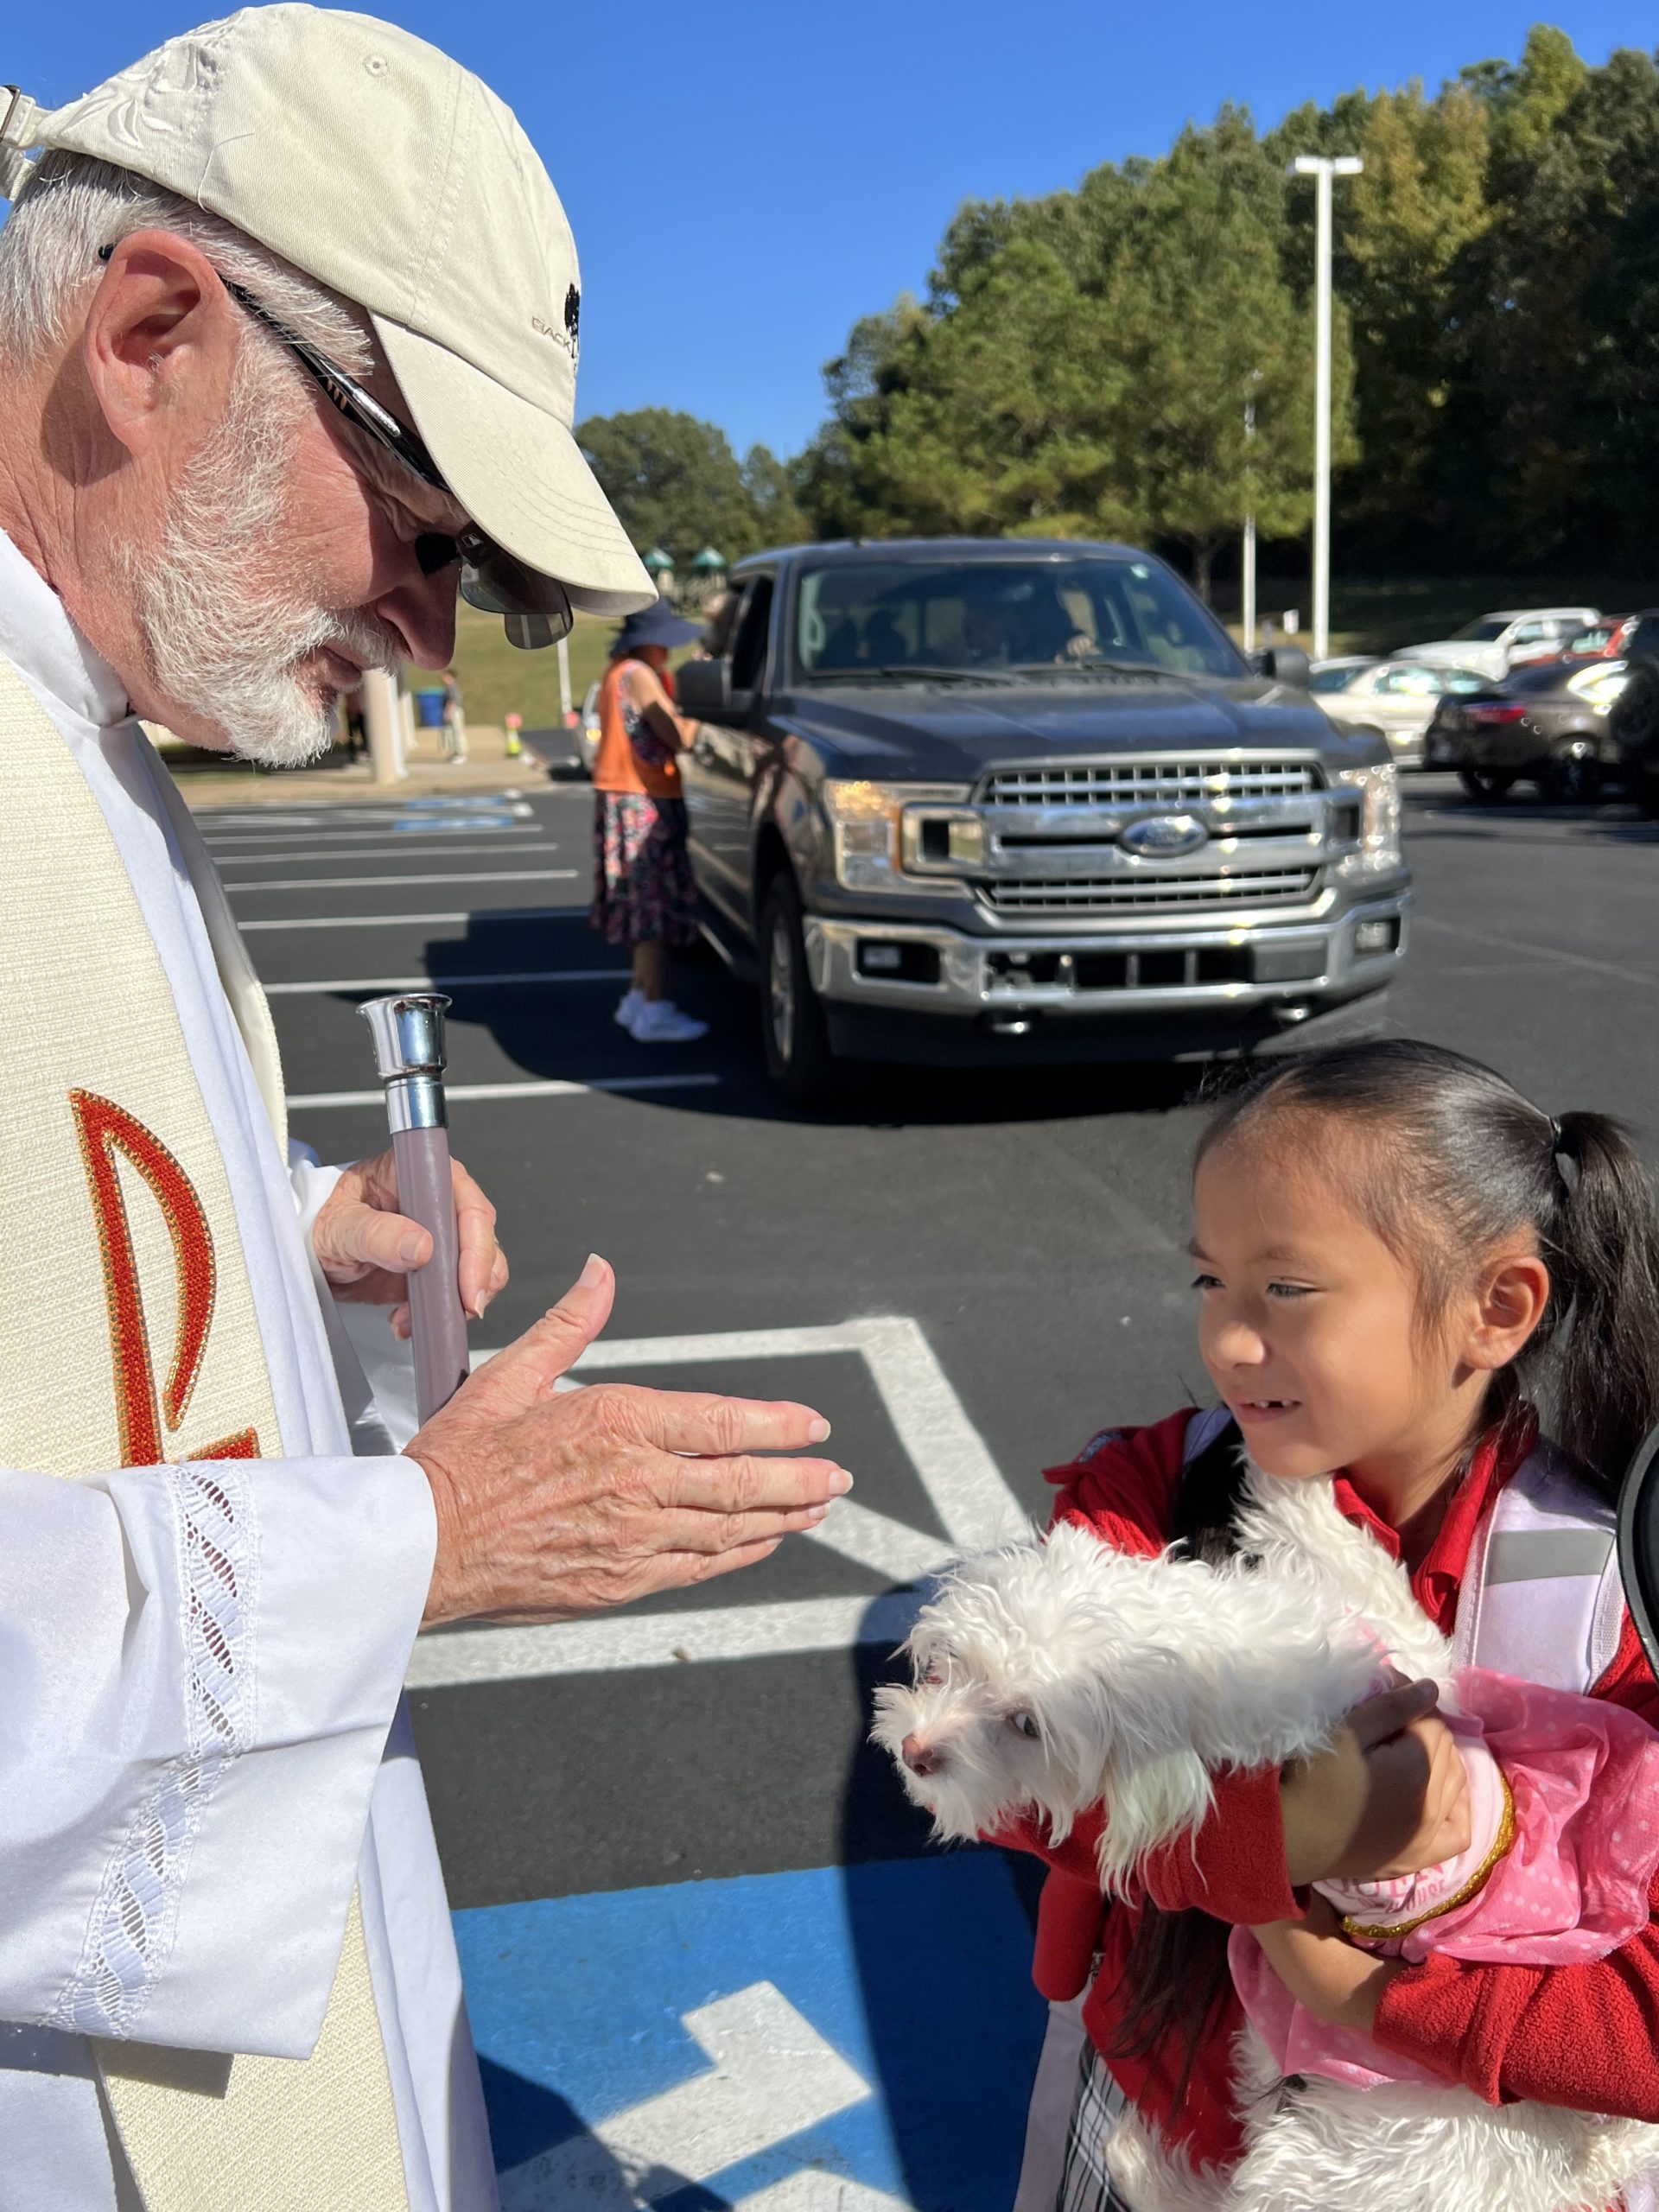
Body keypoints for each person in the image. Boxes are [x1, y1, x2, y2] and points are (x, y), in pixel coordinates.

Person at [0, 15, 848, 2209]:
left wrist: (278, 1232)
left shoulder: (82, 714)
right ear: (154, 332)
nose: (438, 625)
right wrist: (423, 1543)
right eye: (421, 512)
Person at [1001, 1039, 1659, 2212]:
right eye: (1211, 1282)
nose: (1228, 1342)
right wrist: (1286, 1836)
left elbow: (1640, 2024)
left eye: (1286, 1290)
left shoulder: (1616, 1593)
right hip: (1163, 2136)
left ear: (1495, 1307)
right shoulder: (1167, 1487)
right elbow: (1000, 1757)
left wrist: (1363, 1994)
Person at [590, 601, 709, 1042]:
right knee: (654, 911)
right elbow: (678, 736)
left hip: (621, 797)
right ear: (651, 641)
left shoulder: (617, 670)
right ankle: (655, 1007)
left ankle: (639, 998)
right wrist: (697, 707)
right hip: (644, 800)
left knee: (641, 911)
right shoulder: (639, 675)